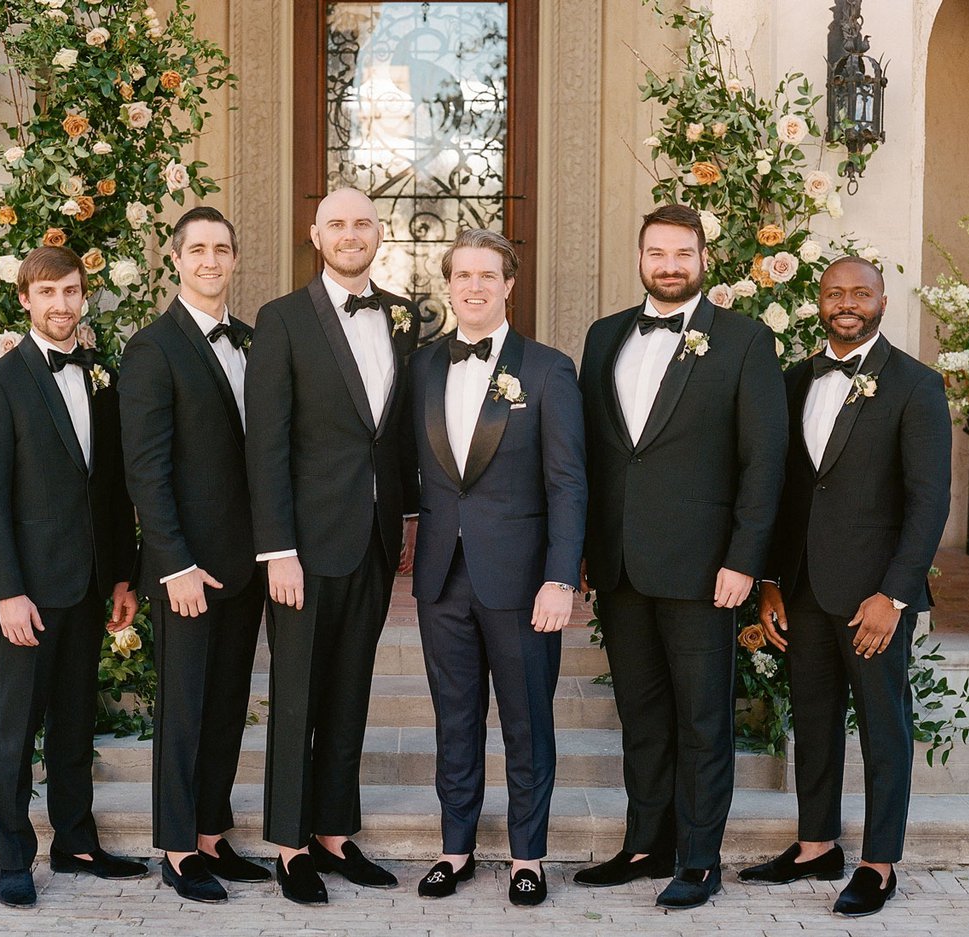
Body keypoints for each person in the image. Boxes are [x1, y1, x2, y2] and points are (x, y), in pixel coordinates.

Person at [575, 204, 787, 909]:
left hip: (705, 569)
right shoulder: (604, 337)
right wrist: (581, 552)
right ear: (640, 256)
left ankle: (699, 858)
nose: (669, 264)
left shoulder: (744, 340)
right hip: (621, 564)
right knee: (640, 710)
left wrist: (744, 559)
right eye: (657, 252)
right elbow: (591, 457)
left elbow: (764, 461)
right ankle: (644, 844)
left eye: (682, 253)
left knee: (703, 717)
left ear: (704, 258)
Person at [739, 256, 951, 917]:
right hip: (802, 587)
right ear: (820, 303)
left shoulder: (916, 386)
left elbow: (928, 501)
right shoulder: (793, 380)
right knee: (814, 717)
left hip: (873, 599)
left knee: (884, 725)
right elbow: (778, 488)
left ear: (884, 301)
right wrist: (771, 582)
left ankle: (879, 862)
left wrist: (894, 593)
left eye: (861, 292)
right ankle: (816, 844)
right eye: (836, 293)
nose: (847, 302)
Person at [244, 187, 421, 904]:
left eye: (363, 224)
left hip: (374, 541)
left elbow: (397, 435)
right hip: (304, 548)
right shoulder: (281, 320)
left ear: (379, 234)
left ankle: (334, 833)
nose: (352, 235)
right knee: (297, 697)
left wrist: (405, 518)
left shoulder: (404, 317)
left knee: (351, 691)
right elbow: (267, 444)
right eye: (338, 224)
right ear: (314, 234)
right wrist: (276, 548)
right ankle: (289, 844)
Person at [0, 246, 147, 908]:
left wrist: (124, 576)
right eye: (48, 293)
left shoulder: (102, 373)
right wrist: (6, 591)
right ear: (25, 299)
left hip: (91, 583)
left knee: (74, 722)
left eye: (71, 291)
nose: (62, 304)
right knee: (16, 728)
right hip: (27, 593)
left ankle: (76, 842)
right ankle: (14, 855)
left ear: (84, 295)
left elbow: (113, 487)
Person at [409, 229, 586, 906]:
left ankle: (527, 857)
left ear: (510, 284)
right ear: (448, 284)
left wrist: (560, 577)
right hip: (440, 577)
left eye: (489, 275)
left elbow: (568, 484)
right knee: (454, 719)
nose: (475, 286)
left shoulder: (546, 370)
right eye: (463, 275)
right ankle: (454, 850)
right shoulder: (424, 366)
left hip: (522, 583)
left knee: (526, 722)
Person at [119, 207, 270, 903]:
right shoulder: (153, 348)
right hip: (187, 569)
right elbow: (146, 468)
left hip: (244, 564)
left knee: (227, 703)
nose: (211, 259)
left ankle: (212, 834)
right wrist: (173, 562)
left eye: (222, 248)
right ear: (175, 258)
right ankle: (178, 850)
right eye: (198, 249)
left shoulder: (250, 340)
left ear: (235, 259)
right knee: (183, 709)